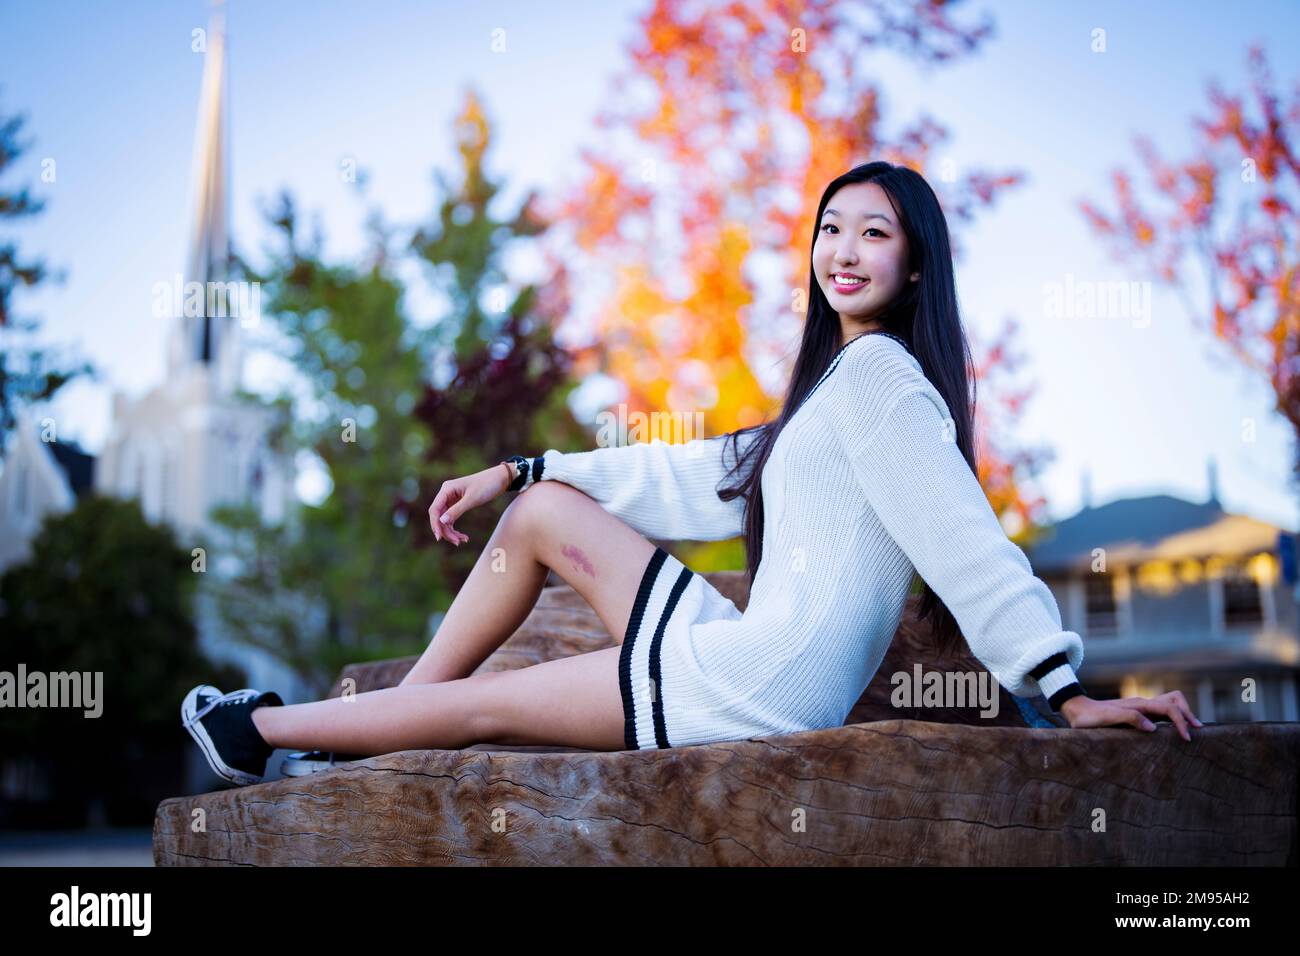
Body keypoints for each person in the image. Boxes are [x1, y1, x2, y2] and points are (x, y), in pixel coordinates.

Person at [182, 160, 1201, 787]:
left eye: (874, 233)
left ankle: (255, 727)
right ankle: (359, 738)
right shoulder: (838, 387)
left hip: (758, 686)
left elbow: (964, 538)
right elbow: (696, 472)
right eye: (829, 228)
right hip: (743, 650)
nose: (841, 251)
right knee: (542, 511)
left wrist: (1065, 690)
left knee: (496, 700)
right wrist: (517, 466)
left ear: (915, 265)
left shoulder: (885, 379)